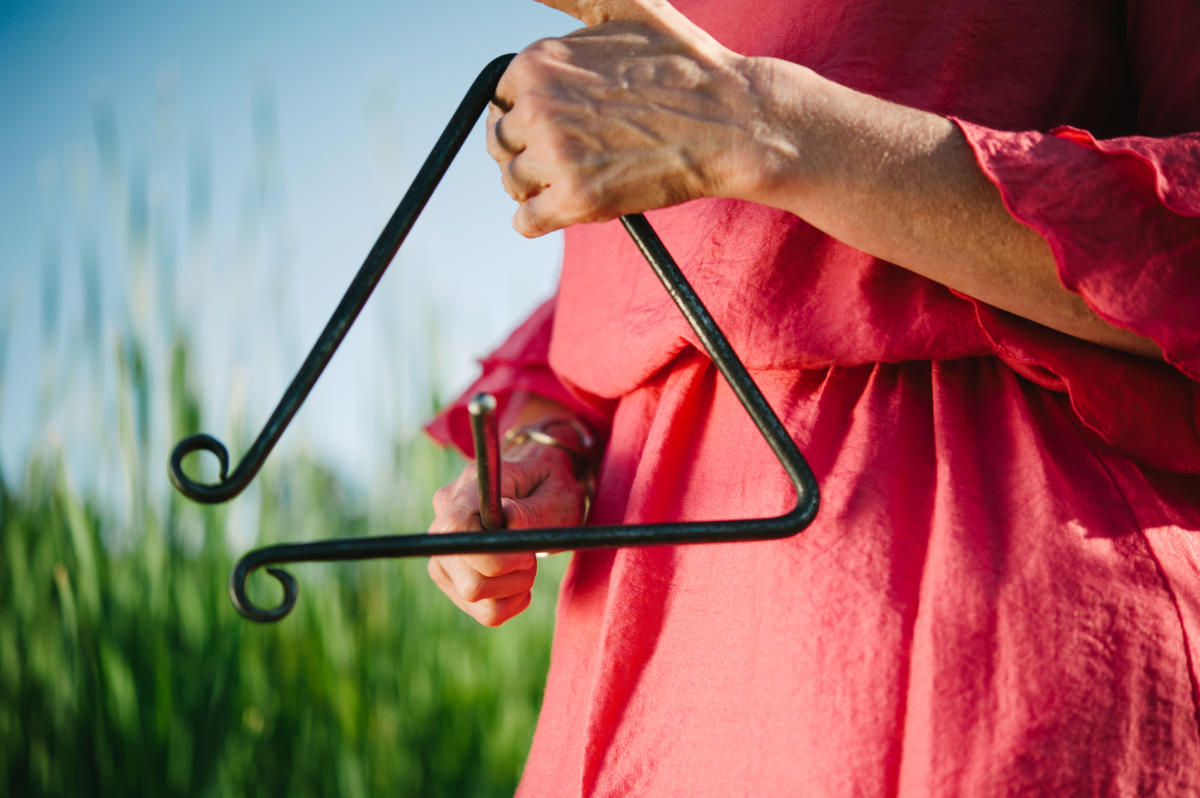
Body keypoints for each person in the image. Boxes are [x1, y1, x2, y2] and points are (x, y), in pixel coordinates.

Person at [426, 0, 1200, 793]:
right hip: (643, 651)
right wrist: (550, 448)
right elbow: (673, 286)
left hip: (983, 609)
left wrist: (765, 125)